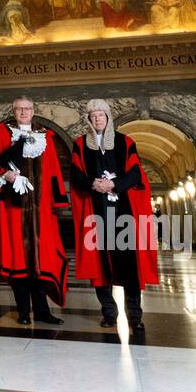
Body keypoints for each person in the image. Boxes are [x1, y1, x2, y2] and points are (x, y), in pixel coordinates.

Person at [69, 99, 159, 333]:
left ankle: (135, 316)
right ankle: (109, 313)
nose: (98, 118)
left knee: (130, 266)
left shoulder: (124, 142)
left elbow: (136, 173)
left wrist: (113, 184)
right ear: (88, 119)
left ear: (108, 117)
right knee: (100, 266)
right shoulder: (80, 145)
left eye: (102, 115)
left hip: (124, 211)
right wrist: (93, 184)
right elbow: (76, 175)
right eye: (94, 115)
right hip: (95, 212)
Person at [0, 96, 69, 325]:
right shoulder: (3, 132)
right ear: (14, 111)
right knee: (18, 259)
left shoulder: (45, 136)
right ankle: (22, 312)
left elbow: (54, 173)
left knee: (42, 261)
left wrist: (57, 204)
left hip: (41, 212)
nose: (23, 112)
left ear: (33, 110)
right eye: (19, 109)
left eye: (27, 108)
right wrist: (5, 175)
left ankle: (42, 312)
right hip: (13, 211)